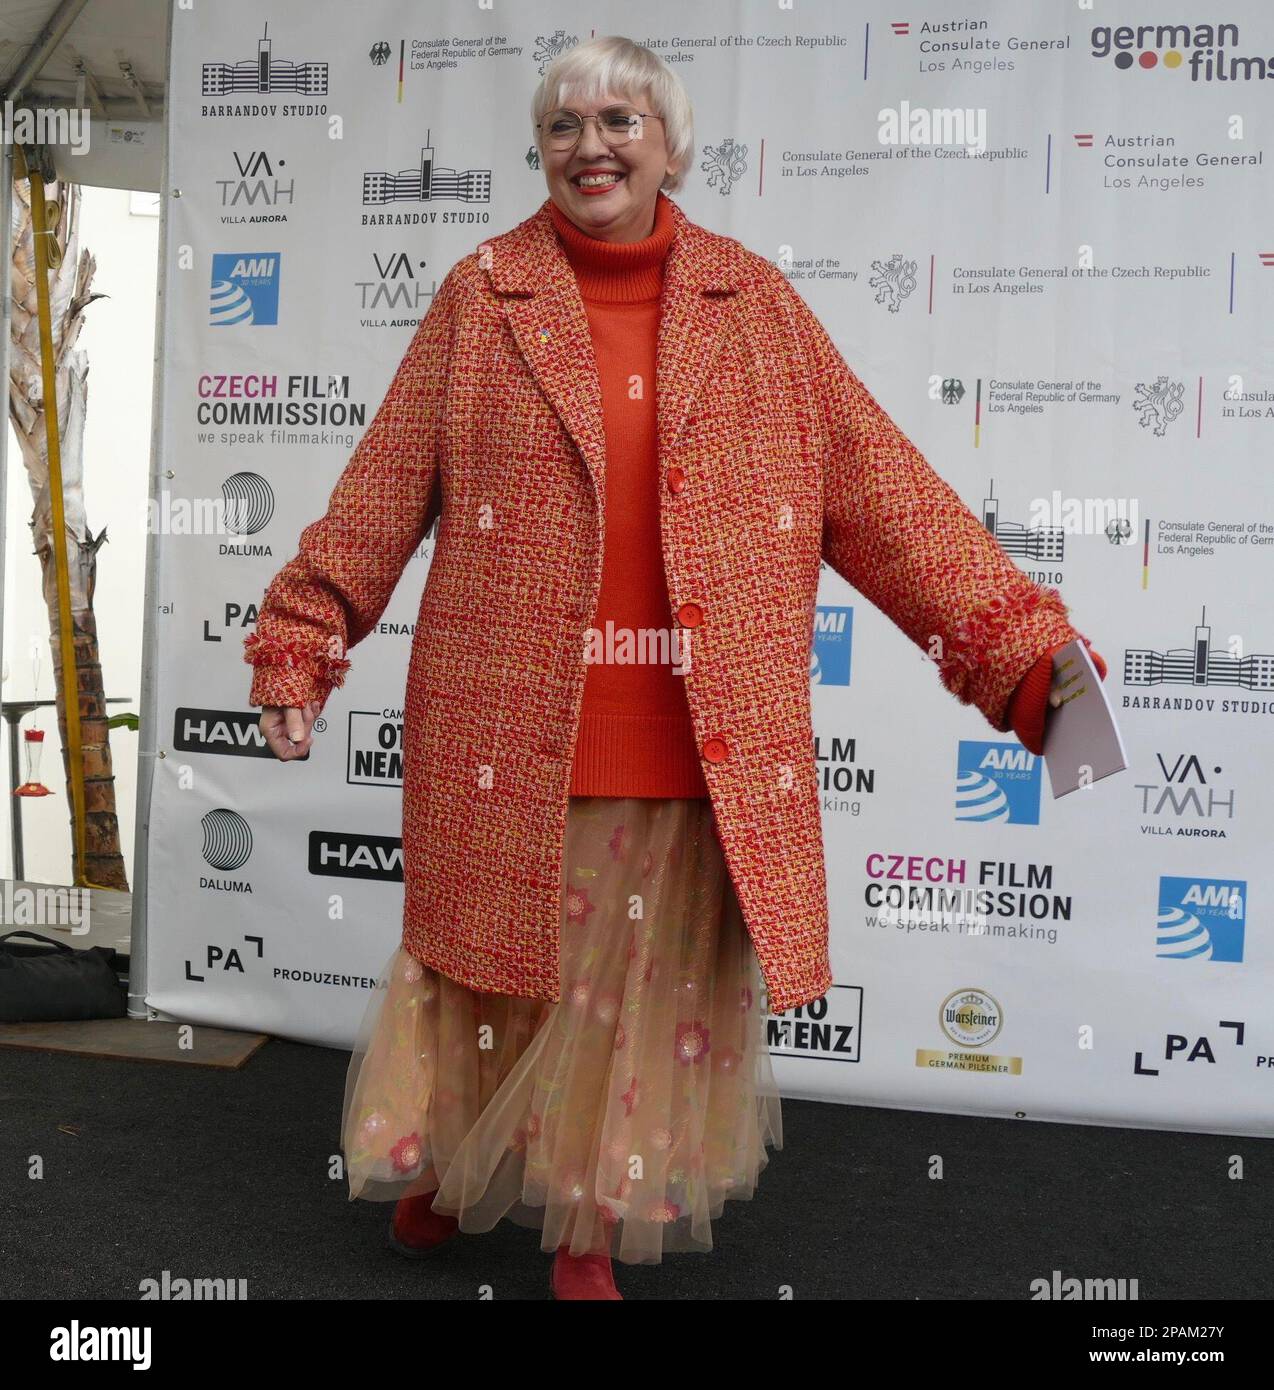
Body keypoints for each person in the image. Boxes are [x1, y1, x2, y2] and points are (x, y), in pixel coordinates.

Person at [244, 35, 1107, 1300]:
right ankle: (453, 1165)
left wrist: (1025, 660)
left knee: (625, 997)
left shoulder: (753, 305)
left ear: (670, 141)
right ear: (537, 148)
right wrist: (302, 643)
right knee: (486, 966)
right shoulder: (478, 297)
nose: (589, 144)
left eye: (618, 119)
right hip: (507, 719)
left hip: (695, 737)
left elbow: (883, 498)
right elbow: (381, 494)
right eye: (561, 124)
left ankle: (590, 1228)